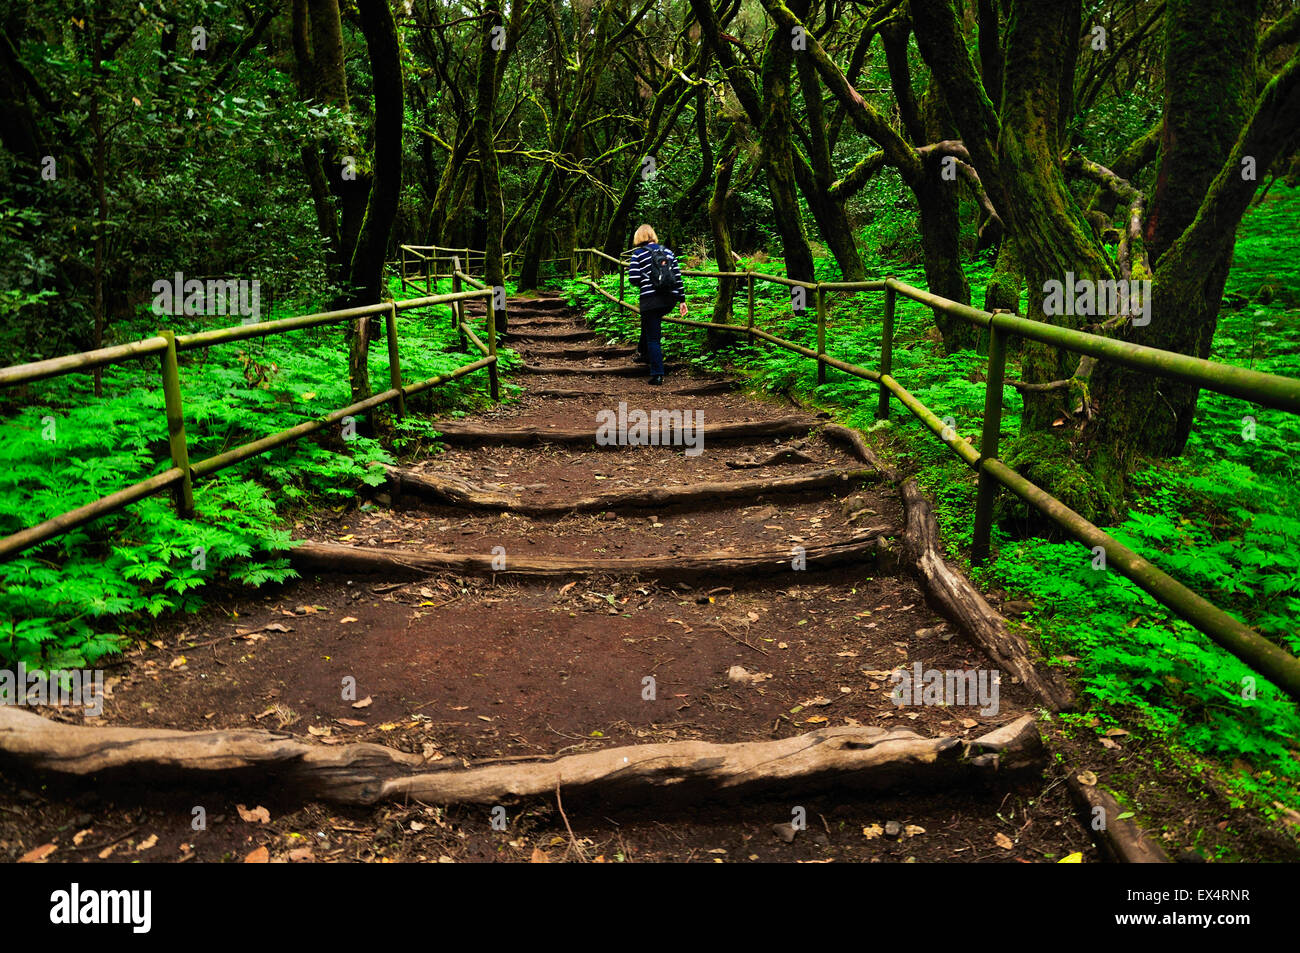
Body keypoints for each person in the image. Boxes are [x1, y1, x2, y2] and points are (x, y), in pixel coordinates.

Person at [626, 224, 687, 385]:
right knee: (648, 324)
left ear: (638, 237)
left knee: (653, 338)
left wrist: (646, 283)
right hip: (669, 299)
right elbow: (677, 277)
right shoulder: (667, 252)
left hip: (650, 300)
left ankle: (657, 374)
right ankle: (644, 353)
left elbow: (633, 278)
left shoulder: (638, 254)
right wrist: (682, 300)